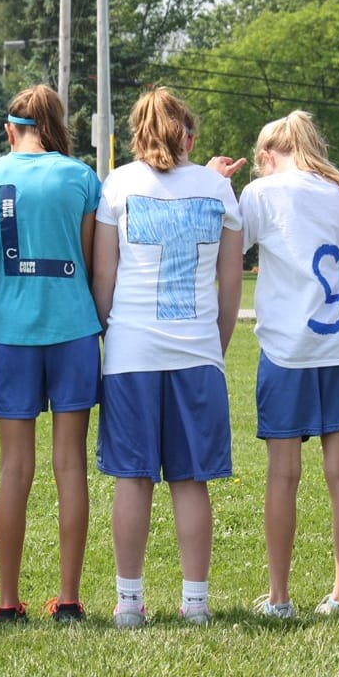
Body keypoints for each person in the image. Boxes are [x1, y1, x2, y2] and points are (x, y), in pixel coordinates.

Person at [92, 88, 242, 628]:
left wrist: (111, 335)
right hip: (197, 348)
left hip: (131, 349)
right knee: (189, 480)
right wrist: (214, 344)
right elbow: (231, 286)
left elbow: (104, 277)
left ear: (136, 134)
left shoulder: (118, 185)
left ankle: (129, 602)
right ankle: (195, 602)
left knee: (132, 479)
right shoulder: (218, 188)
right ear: (189, 136)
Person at [0, 85, 101, 624]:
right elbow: (91, 262)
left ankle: (7, 601)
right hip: (73, 330)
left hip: (13, 333)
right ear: (54, 125)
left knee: (14, 468)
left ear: (9, 128)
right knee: (70, 466)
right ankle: (68, 599)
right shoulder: (82, 178)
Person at [240, 111, 339, 620]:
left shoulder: (261, 193)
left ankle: (279, 595)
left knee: (282, 475)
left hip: (286, 347)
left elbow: (237, 245)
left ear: (267, 155)